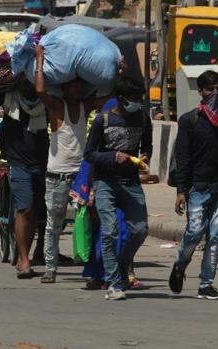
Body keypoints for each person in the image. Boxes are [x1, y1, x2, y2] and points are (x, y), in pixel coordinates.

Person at [169, 70, 218, 301]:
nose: (215, 93)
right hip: (196, 187)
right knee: (194, 232)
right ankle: (180, 266)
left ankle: (206, 283)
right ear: (200, 92)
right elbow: (183, 158)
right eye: (210, 89)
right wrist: (181, 190)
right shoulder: (189, 120)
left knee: (215, 236)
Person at [34, 44, 107, 283]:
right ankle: (50, 268)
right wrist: (40, 60)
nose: (77, 88)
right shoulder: (57, 107)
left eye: (80, 85)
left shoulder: (85, 107)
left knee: (88, 221)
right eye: (72, 84)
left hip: (81, 175)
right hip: (56, 176)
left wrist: (118, 72)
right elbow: (40, 90)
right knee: (53, 224)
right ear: (64, 87)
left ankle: (91, 267)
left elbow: (107, 96)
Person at [0, 61, 49, 278]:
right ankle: (24, 260)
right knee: (24, 209)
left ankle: (38, 249)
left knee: (37, 211)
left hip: (43, 160)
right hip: (18, 161)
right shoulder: (8, 96)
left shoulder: (47, 98)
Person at [84, 76, 152, 300]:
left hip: (131, 182)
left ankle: (124, 264)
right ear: (121, 99)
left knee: (140, 229)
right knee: (110, 231)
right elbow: (90, 154)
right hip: (105, 183)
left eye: (139, 98)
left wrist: (142, 159)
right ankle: (113, 282)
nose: (136, 102)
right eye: (133, 98)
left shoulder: (143, 119)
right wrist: (114, 156)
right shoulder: (102, 120)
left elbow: (147, 146)